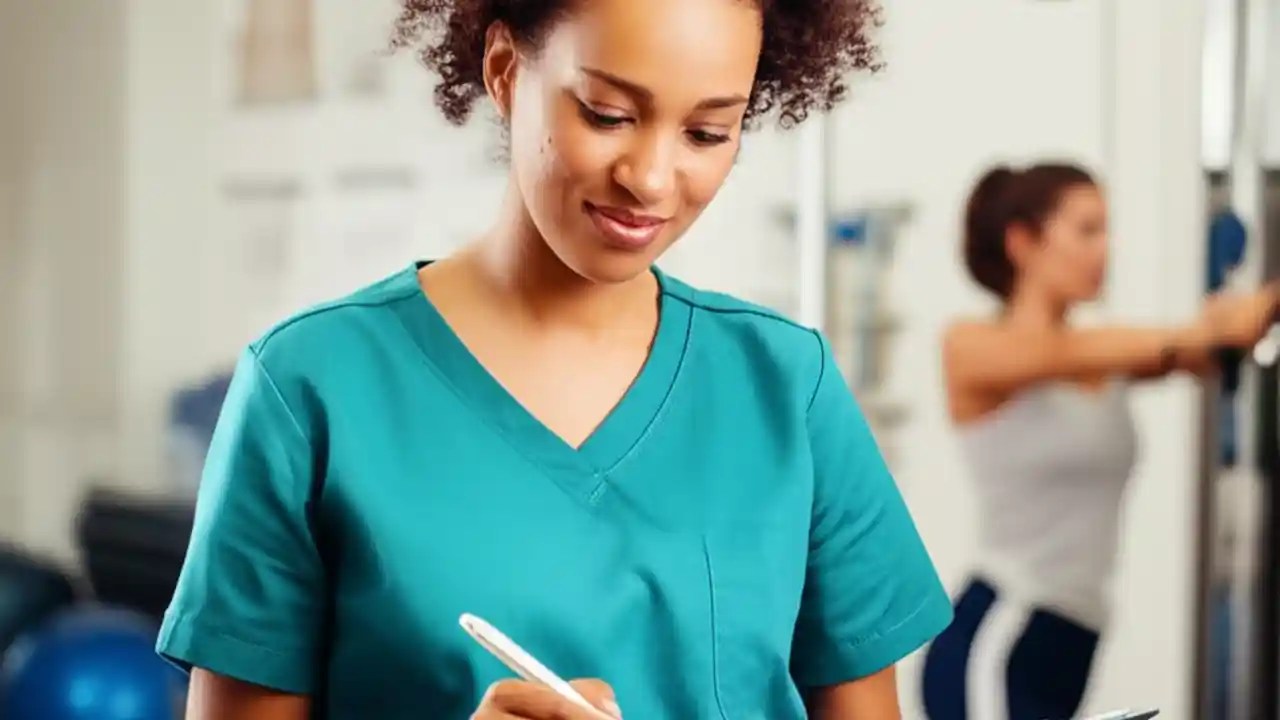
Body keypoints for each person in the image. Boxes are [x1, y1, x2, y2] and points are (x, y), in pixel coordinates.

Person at [157, 0, 955, 718]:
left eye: (708, 133)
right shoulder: (310, 387)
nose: (649, 178)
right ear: (505, 71)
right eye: (607, 114)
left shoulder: (787, 388)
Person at [920, 163, 1279, 720]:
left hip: (1072, 639)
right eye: (1087, 231)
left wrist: (1236, 319)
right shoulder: (973, 347)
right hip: (1006, 629)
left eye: (1107, 231)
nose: (1105, 250)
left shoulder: (1107, 359)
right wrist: (1204, 331)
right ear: (1023, 242)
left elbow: (1207, 348)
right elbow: (1074, 353)